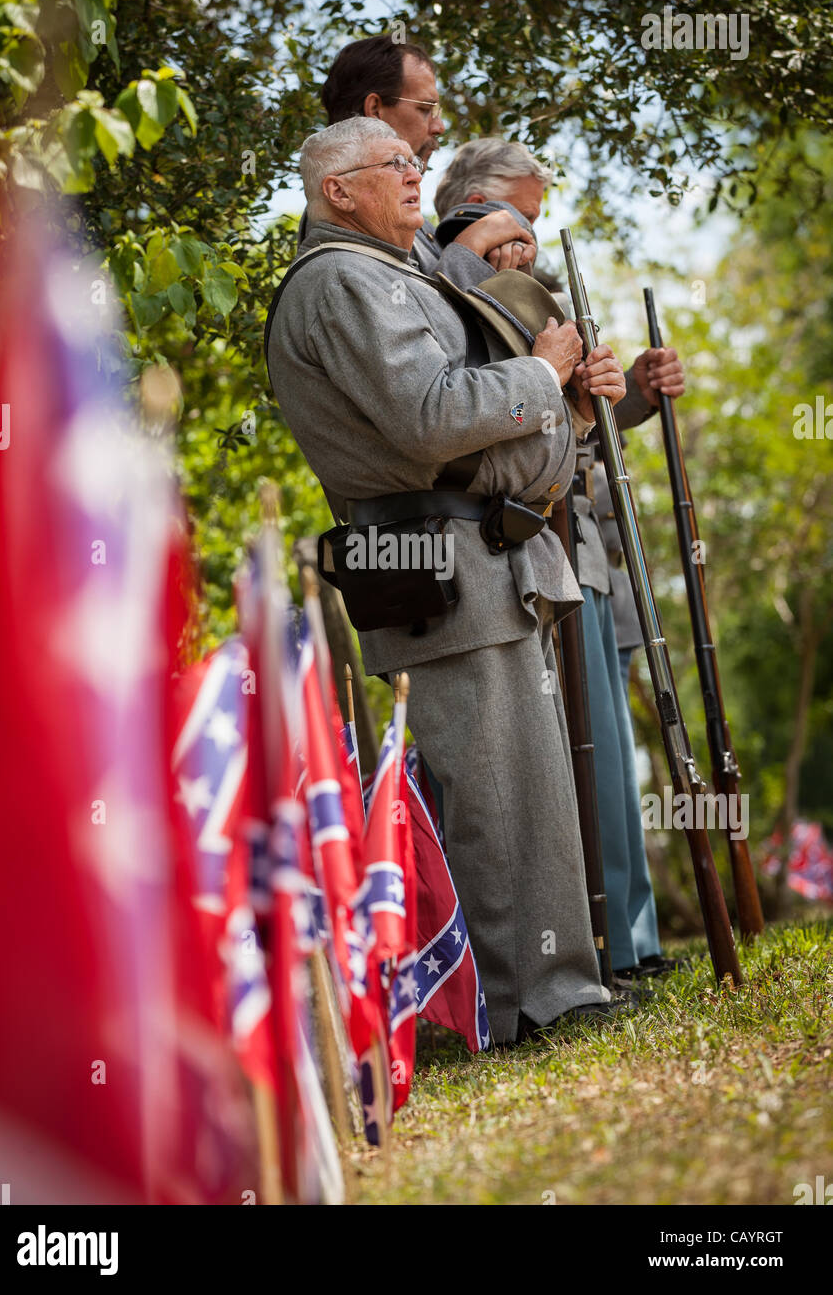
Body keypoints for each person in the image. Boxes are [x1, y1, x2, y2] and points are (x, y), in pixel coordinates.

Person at [267, 116, 634, 1045]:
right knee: (492, 798)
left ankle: (554, 987)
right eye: (396, 163)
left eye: (415, 162)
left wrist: (576, 404)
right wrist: (541, 374)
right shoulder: (341, 279)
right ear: (338, 191)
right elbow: (431, 421)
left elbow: (487, 428)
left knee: (529, 787)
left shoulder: (397, 272)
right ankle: (518, 1006)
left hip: (488, 561)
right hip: (438, 565)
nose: (416, 171)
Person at [433, 137, 686, 979]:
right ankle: (594, 947)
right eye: (519, 215)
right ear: (472, 209)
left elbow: (570, 422)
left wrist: (633, 392)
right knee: (571, 764)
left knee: (609, 758)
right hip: (523, 547)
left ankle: (634, 938)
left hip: (583, 548)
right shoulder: (444, 286)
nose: (530, 234)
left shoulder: (522, 287)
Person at [313, 35, 537, 281]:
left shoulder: (413, 224)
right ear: (376, 109)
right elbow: (417, 314)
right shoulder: (351, 219)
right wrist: (471, 246)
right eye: (425, 109)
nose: (439, 126)